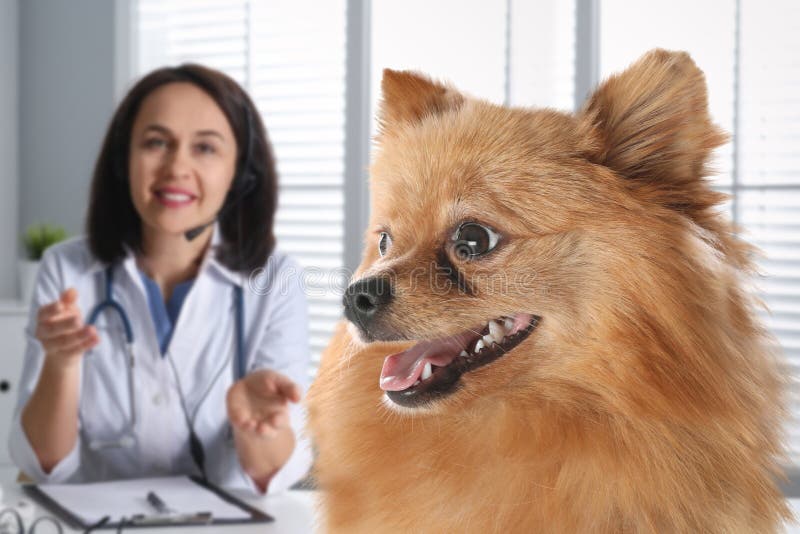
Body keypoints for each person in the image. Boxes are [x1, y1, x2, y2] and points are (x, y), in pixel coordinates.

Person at [8, 64, 312, 494]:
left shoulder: (277, 278)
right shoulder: (67, 270)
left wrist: (258, 426)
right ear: (123, 161)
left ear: (240, 174)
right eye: (155, 143)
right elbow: (45, 465)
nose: (176, 167)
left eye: (205, 148)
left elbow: (273, 473)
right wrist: (60, 365)